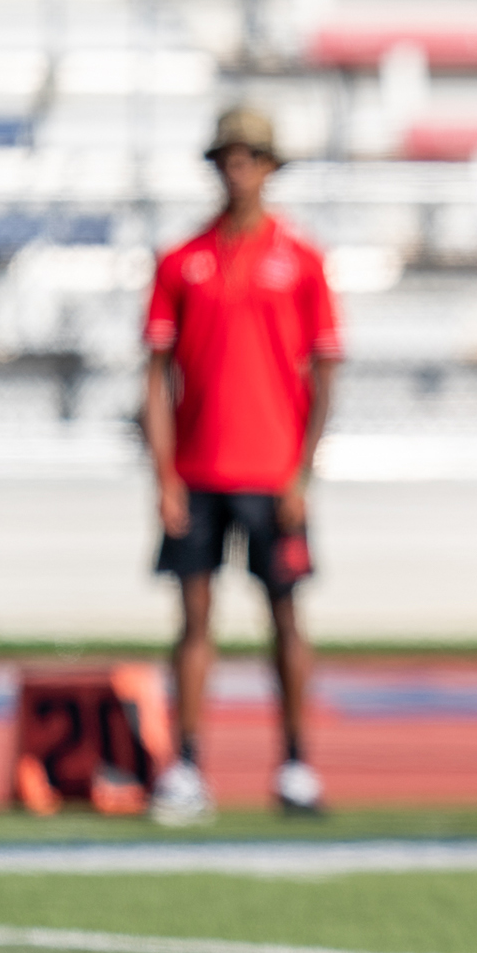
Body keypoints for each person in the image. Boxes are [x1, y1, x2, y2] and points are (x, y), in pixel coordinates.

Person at [141, 106, 339, 826]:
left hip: (271, 470)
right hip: (197, 470)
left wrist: (302, 471)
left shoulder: (302, 260)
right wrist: (163, 473)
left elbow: (323, 374)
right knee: (194, 618)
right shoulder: (180, 261)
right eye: (228, 157)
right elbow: (155, 378)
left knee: (285, 615)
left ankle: (294, 762)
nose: (239, 169)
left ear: (270, 167)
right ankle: (188, 762)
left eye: (251, 156)